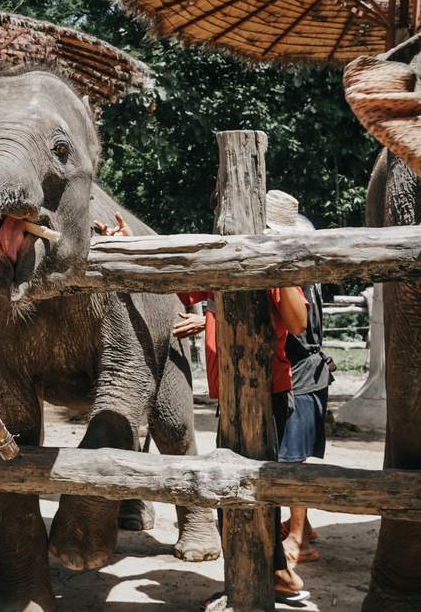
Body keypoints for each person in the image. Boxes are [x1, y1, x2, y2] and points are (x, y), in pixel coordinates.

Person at [101, 200, 310, 603]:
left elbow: (298, 322)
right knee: (232, 486)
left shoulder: (273, 269)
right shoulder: (224, 264)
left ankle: (272, 576)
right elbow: (176, 282)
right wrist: (130, 247)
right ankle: (262, 576)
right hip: (231, 392)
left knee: (252, 488)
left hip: (266, 394)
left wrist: (278, 266)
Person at [266, 194, 335, 568]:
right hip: (307, 367)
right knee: (293, 455)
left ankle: (297, 538)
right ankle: (301, 527)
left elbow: (295, 325)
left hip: (302, 369)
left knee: (292, 459)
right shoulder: (303, 267)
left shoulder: (290, 272)